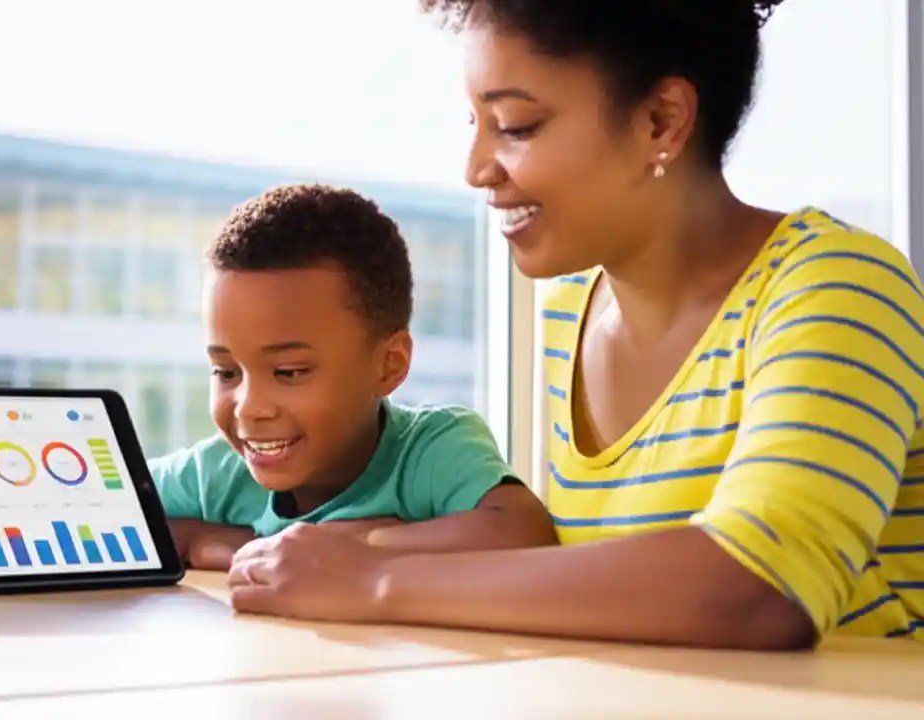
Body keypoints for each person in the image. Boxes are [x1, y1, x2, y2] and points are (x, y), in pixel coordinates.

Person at [226, 0, 924, 648]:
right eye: (475, 124)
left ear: (661, 121)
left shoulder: (836, 285)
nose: (475, 169)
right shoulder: (571, 311)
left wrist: (373, 581)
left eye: (518, 127)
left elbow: (759, 587)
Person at [148, 183, 557, 570]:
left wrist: (350, 547)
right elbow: (92, 510)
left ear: (389, 365)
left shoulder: (431, 449)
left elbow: (523, 533)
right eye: (226, 372)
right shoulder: (216, 473)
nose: (249, 408)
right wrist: (200, 537)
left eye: (289, 372)